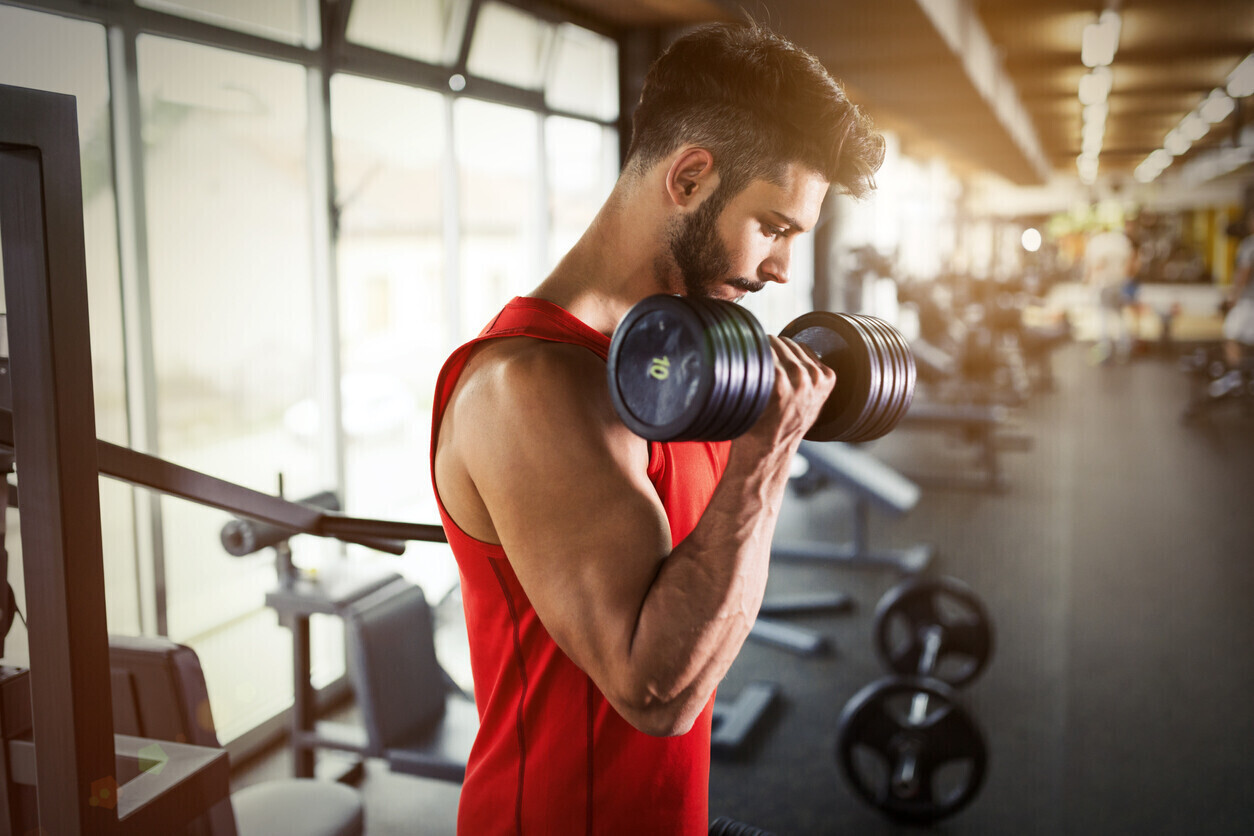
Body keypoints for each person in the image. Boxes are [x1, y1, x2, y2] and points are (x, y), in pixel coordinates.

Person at [429, 22, 883, 835]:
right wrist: (764, 460)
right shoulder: (528, 386)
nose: (782, 268)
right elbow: (656, 694)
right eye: (774, 226)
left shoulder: (686, 365)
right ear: (691, 176)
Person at [1083, 217, 1141, 365]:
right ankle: (1124, 347)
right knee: (1119, 315)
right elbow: (1131, 262)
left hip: (1105, 285)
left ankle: (1106, 350)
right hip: (1119, 283)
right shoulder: (1120, 242)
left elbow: (1096, 265)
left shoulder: (1098, 244)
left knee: (1104, 318)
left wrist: (1090, 282)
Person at [1212, 208, 1254, 396]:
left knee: (1230, 334)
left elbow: (1243, 273)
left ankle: (1236, 378)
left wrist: (1233, 297)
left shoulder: (1249, 245)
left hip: (1248, 302)